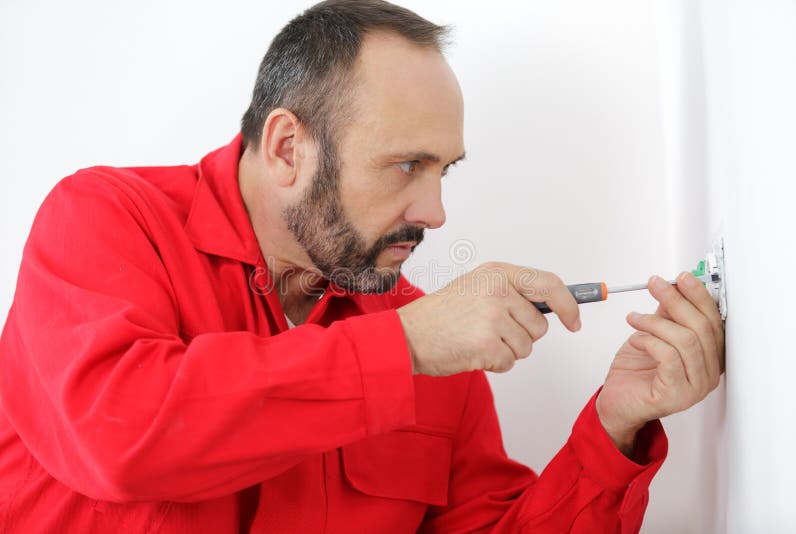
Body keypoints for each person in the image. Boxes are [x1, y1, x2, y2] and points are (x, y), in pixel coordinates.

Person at [0, 0, 725, 532]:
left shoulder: (431, 341)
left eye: (444, 170)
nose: (436, 212)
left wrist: (613, 428)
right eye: (406, 165)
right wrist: (403, 349)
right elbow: (121, 437)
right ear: (288, 148)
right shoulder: (103, 220)